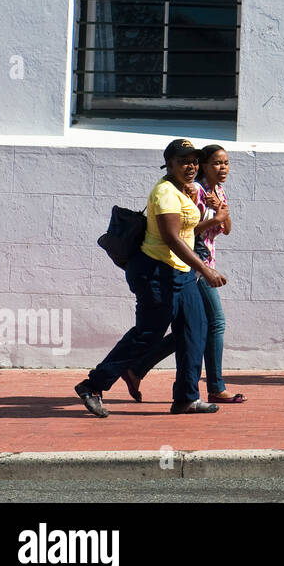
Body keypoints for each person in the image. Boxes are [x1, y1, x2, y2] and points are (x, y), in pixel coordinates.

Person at [75, 139, 227, 417]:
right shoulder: (165, 193)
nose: (190, 166)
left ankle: (186, 398)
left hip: (180, 273)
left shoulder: (185, 190)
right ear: (168, 165)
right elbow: (171, 237)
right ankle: (92, 386)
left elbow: (188, 231)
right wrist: (205, 268)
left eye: (193, 161)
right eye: (183, 161)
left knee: (195, 330)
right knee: (147, 335)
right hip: (155, 272)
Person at [123, 144, 244, 404]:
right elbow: (187, 232)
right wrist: (214, 219)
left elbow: (227, 227)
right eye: (216, 163)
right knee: (214, 323)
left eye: (226, 163)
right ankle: (215, 386)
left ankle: (138, 368)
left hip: (205, 260)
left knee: (193, 328)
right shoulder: (193, 190)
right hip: (195, 262)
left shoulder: (217, 191)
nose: (222, 168)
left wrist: (220, 209)